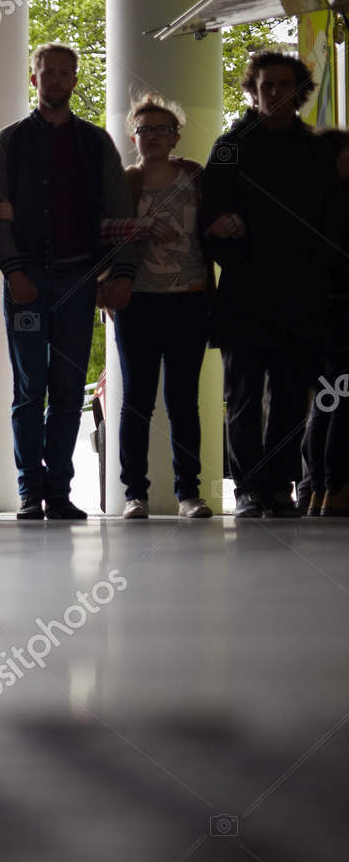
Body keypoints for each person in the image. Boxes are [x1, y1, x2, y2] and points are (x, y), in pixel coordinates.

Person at [0, 43, 137, 520]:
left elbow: (120, 214)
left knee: (70, 392)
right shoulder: (9, 142)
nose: (55, 79)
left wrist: (120, 274)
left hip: (79, 280)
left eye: (63, 72)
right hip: (27, 279)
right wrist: (12, 270)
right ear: (34, 80)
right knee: (30, 391)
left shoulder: (96, 143)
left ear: (74, 80)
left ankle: (59, 493)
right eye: (46, 72)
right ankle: (31, 493)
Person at [202, 50, 343, 518]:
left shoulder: (317, 150)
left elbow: (332, 224)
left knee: (288, 395)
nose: (276, 93)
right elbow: (211, 221)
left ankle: (279, 485)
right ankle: (246, 487)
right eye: (267, 85)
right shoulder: (229, 145)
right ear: (252, 90)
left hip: (302, 294)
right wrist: (239, 259)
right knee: (242, 396)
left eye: (286, 84)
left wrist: (316, 277)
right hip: (245, 291)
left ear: (301, 91)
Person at [102, 94, 215, 520]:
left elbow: (212, 225)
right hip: (139, 302)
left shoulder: (194, 176)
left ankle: (190, 493)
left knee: (184, 400)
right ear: (133, 136)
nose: (152, 137)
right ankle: (136, 494)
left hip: (190, 299)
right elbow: (101, 231)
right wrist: (140, 226)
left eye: (161, 130)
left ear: (176, 136)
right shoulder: (125, 181)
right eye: (144, 130)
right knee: (137, 400)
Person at [302, 127, 349, 516]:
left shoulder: (309, 203)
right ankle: (336, 488)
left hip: (316, 313)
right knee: (341, 401)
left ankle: (318, 489)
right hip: (342, 314)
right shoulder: (341, 202)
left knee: (326, 401)